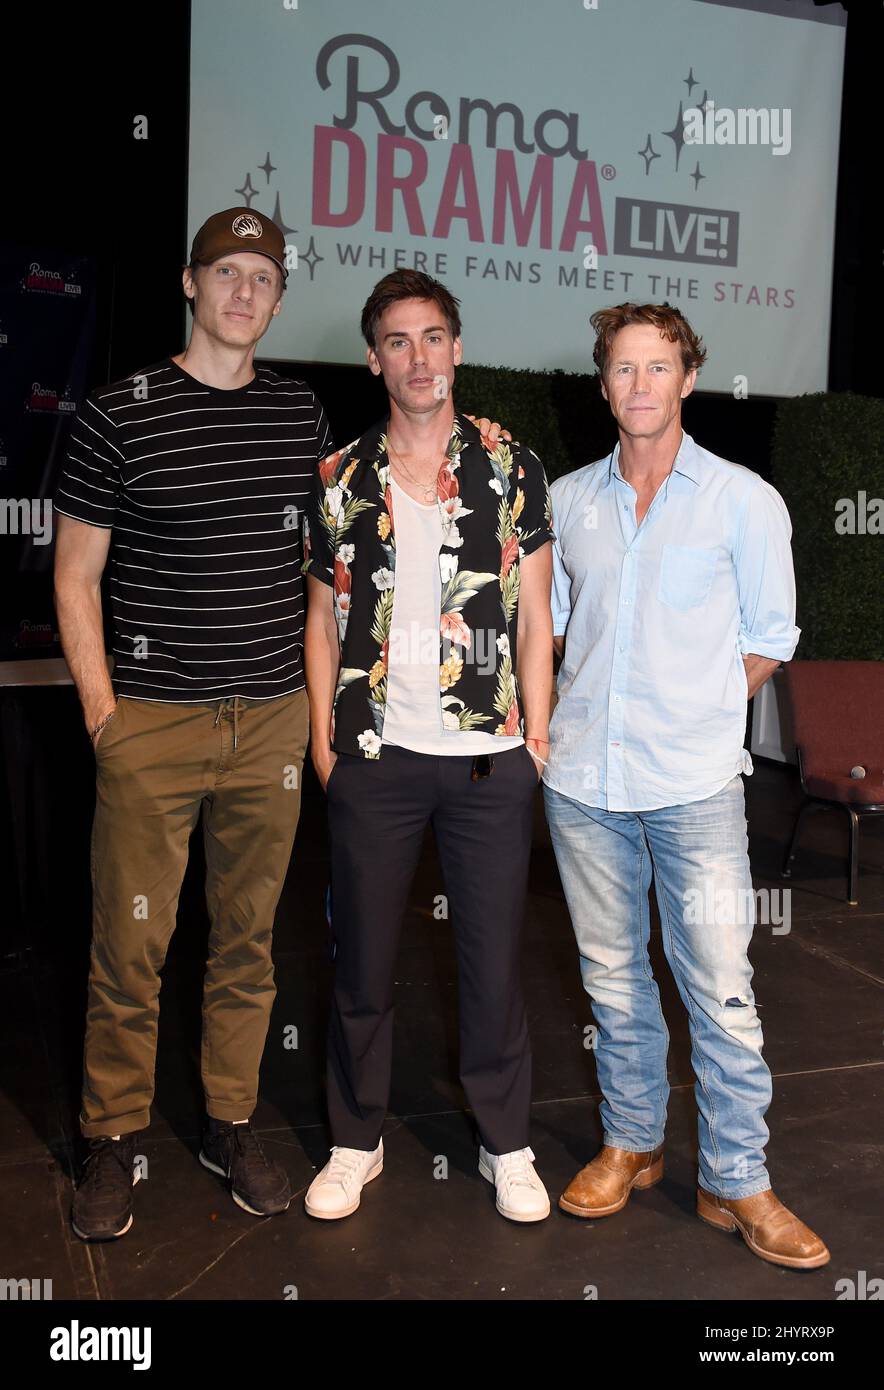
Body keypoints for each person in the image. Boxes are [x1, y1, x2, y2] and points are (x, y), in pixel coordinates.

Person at [54, 208, 326, 1238]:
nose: (243, 291)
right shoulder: (119, 411)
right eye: (227, 271)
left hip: (267, 724)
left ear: (277, 295)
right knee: (132, 946)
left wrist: (306, 711)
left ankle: (228, 1118)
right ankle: (111, 1135)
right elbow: (76, 574)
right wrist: (105, 719)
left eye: (262, 275)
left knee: (247, 943)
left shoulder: (299, 413)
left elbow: (314, 580)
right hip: (152, 726)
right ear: (189, 281)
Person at [542, 302, 829, 1269]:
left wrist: (699, 708)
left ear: (689, 378)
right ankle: (633, 1143)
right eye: (623, 369)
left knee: (720, 985)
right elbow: (559, 629)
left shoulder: (743, 500)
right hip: (583, 780)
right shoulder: (570, 501)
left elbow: (772, 635)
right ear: (604, 383)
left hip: (697, 782)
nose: (641, 386)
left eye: (658, 367)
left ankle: (737, 1177)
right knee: (613, 980)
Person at [302, 270, 554, 1223]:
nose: (419, 356)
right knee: (362, 960)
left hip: (491, 761)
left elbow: (536, 616)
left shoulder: (512, 467)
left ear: (456, 347)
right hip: (373, 756)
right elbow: (320, 619)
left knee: (492, 960)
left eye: (434, 336)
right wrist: (325, 742)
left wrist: (535, 729)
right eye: (398, 341)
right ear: (375, 358)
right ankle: (355, 1140)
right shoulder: (337, 477)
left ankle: (507, 1143)